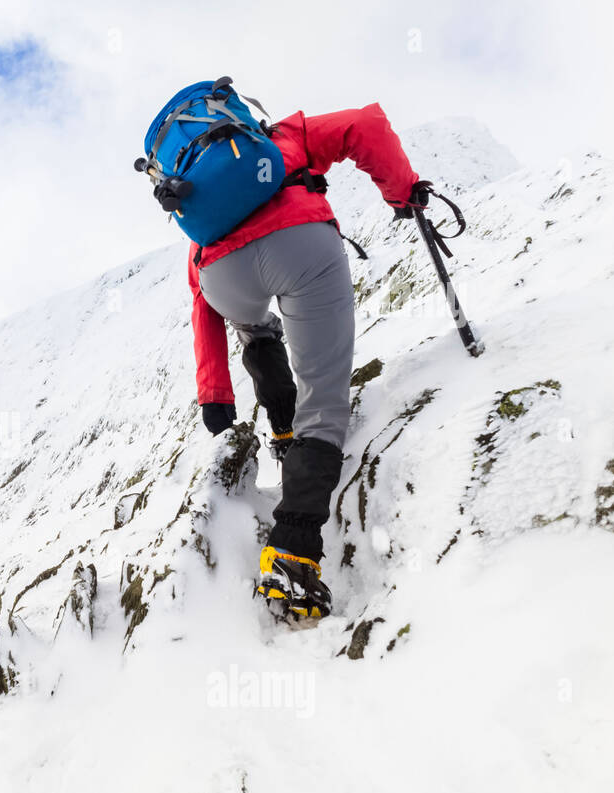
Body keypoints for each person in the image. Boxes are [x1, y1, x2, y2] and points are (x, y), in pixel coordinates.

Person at [176, 102, 428, 617]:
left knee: (255, 328)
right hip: (302, 246)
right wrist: (402, 192)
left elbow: (201, 295)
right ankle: (293, 551)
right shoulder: (286, 136)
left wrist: (216, 395)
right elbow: (367, 126)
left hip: (223, 275)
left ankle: (285, 430)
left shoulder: (203, 206)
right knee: (325, 400)